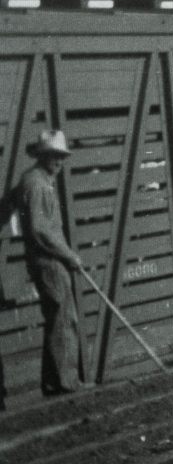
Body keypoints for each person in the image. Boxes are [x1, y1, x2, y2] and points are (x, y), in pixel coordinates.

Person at [1, 130, 86, 396]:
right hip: (49, 260)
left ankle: (56, 381)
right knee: (62, 317)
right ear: (42, 156)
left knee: (61, 317)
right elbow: (39, 229)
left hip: (51, 258)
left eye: (62, 156)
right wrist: (68, 255)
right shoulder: (36, 184)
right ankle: (63, 382)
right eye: (54, 156)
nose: (60, 162)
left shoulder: (38, 181)